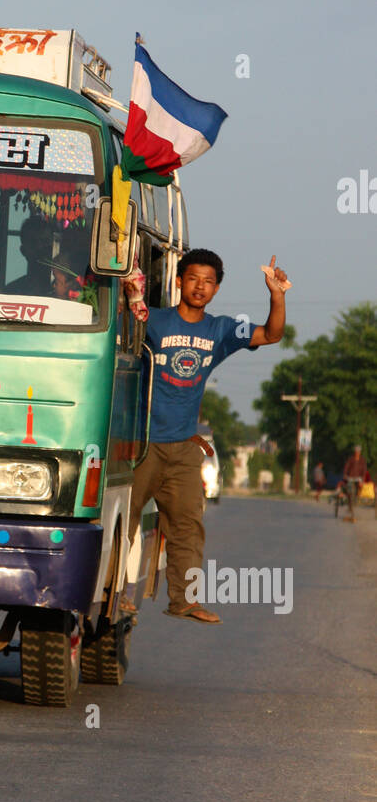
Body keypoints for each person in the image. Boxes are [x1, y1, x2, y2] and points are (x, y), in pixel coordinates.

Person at [122, 249, 290, 624]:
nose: (201, 287)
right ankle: (114, 595)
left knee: (188, 526)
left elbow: (272, 334)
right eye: (194, 278)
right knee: (125, 519)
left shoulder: (220, 330)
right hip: (142, 443)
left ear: (216, 288)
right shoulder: (153, 321)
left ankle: (184, 599)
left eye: (209, 281)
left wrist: (276, 295)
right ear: (179, 281)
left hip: (184, 448)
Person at [6, 214, 53, 295]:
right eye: (33, 243)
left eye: (45, 242)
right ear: (23, 251)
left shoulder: (64, 291)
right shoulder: (11, 292)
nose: (39, 247)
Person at [340, 444, 368, 521]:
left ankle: (355, 499)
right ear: (354, 452)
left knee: (358, 490)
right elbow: (346, 467)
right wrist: (345, 475)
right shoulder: (351, 459)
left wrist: (362, 479)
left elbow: (364, 470)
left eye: (358, 451)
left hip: (359, 478)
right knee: (349, 490)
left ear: (360, 452)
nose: (357, 453)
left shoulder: (362, 460)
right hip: (351, 477)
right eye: (356, 451)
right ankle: (350, 503)